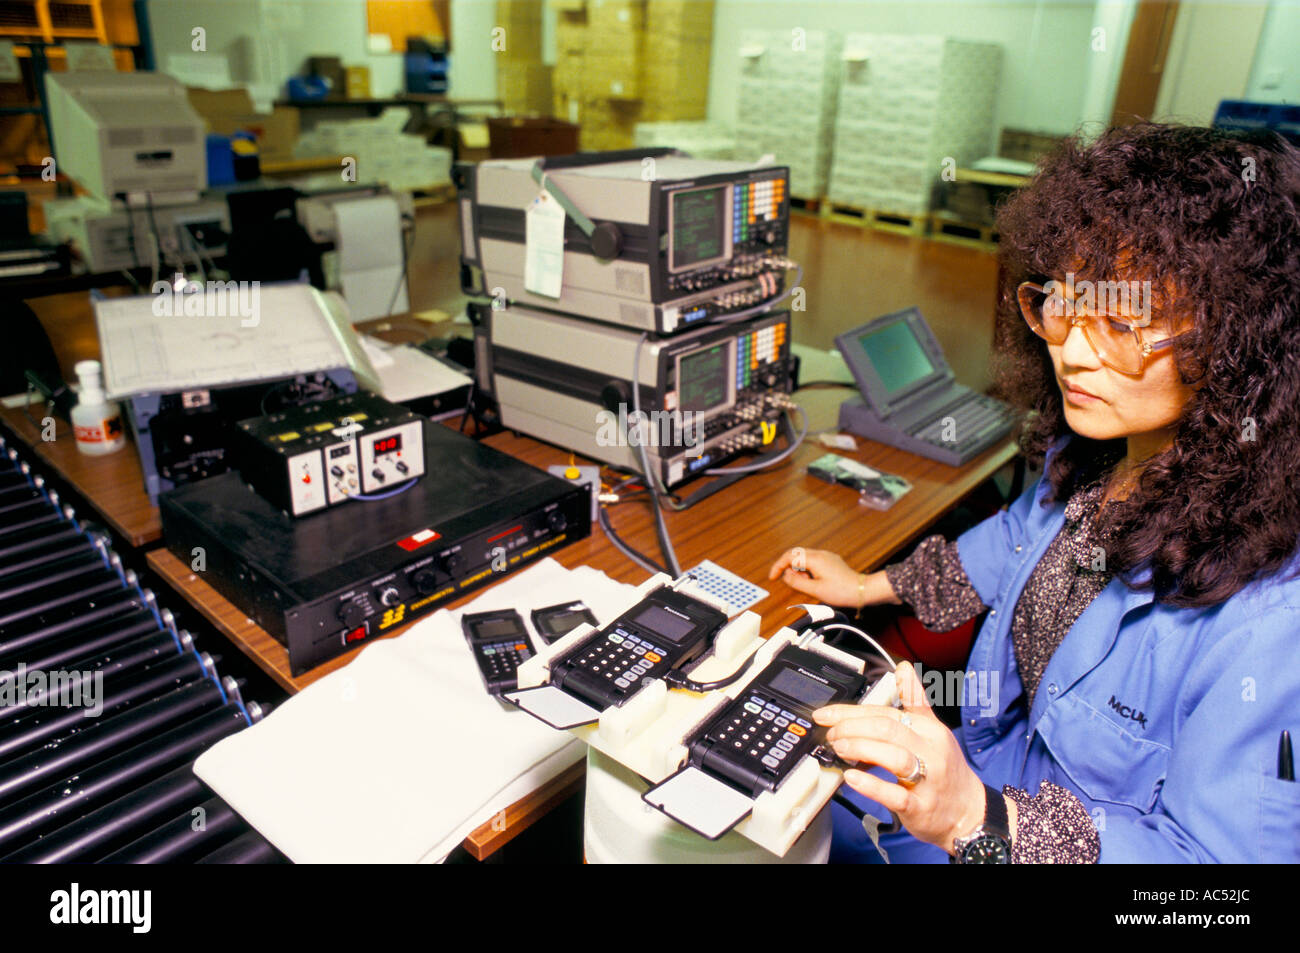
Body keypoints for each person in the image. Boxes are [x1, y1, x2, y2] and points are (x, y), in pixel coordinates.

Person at [768, 123, 1300, 863]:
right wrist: (868, 586)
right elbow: (1012, 541)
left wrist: (977, 819)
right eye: (1063, 301)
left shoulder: (1271, 622)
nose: (1071, 348)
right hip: (988, 770)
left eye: (1122, 319)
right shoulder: (1093, 457)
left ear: (1236, 338)